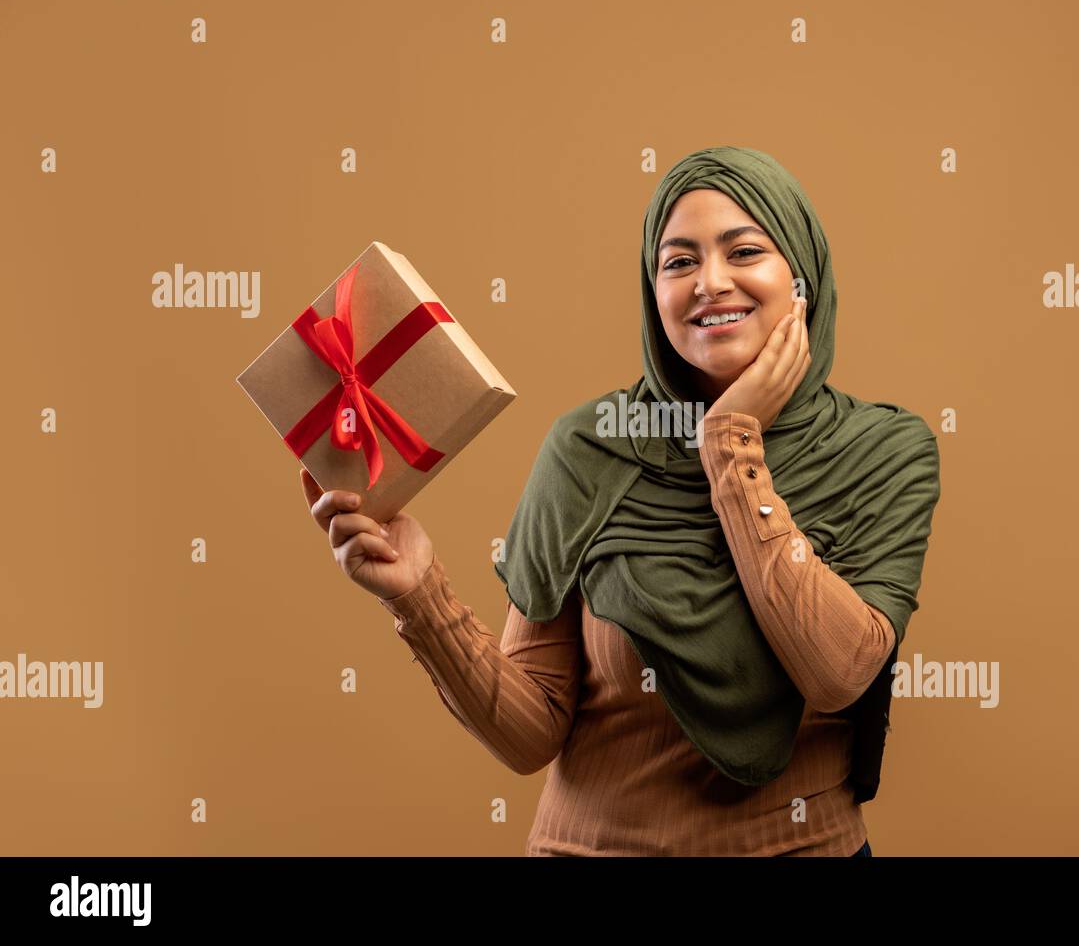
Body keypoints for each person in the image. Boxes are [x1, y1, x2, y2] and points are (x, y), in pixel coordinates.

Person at [301, 146, 941, 856]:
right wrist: (417, 594)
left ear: (803, 278)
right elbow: (531, 731)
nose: (710, 282)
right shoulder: (590, 447)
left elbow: (837, 674)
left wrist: (730, 442)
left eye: (745, 250)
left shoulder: (884, 450)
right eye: (678, 262)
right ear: (653, 292)